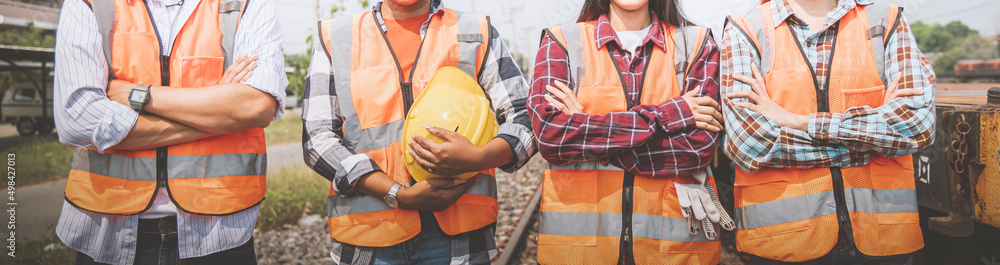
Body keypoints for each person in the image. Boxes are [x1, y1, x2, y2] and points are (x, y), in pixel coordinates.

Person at [52, 0, 287, 264]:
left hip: (221, 232)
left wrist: (138, 95)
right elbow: (78, 120)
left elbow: (256, 106)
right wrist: (219, 116)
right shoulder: (89, 3)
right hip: (107, 228)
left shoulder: (245, 4)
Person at [302, 0, 536, 264]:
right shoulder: (337, 36)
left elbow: (525, 116)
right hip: (369, 239)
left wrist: (479, 158)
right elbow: (317, 138)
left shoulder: (476, 31)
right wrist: (396, 193)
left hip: (460, 240)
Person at [721, 0, 935, 263]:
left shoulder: (884, 18)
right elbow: (750, 143)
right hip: (785, 239)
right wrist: (868, 144)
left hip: (884, 239)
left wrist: (800, 122)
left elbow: (917, 125)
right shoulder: (747, 26)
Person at [527, 0, 731, 264]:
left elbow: (696, 148)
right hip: (580, 247)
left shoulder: (696, 43)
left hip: (673, 247)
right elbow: (551, 137)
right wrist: (668, 115)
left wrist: (586, 128)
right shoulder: (563, 41)